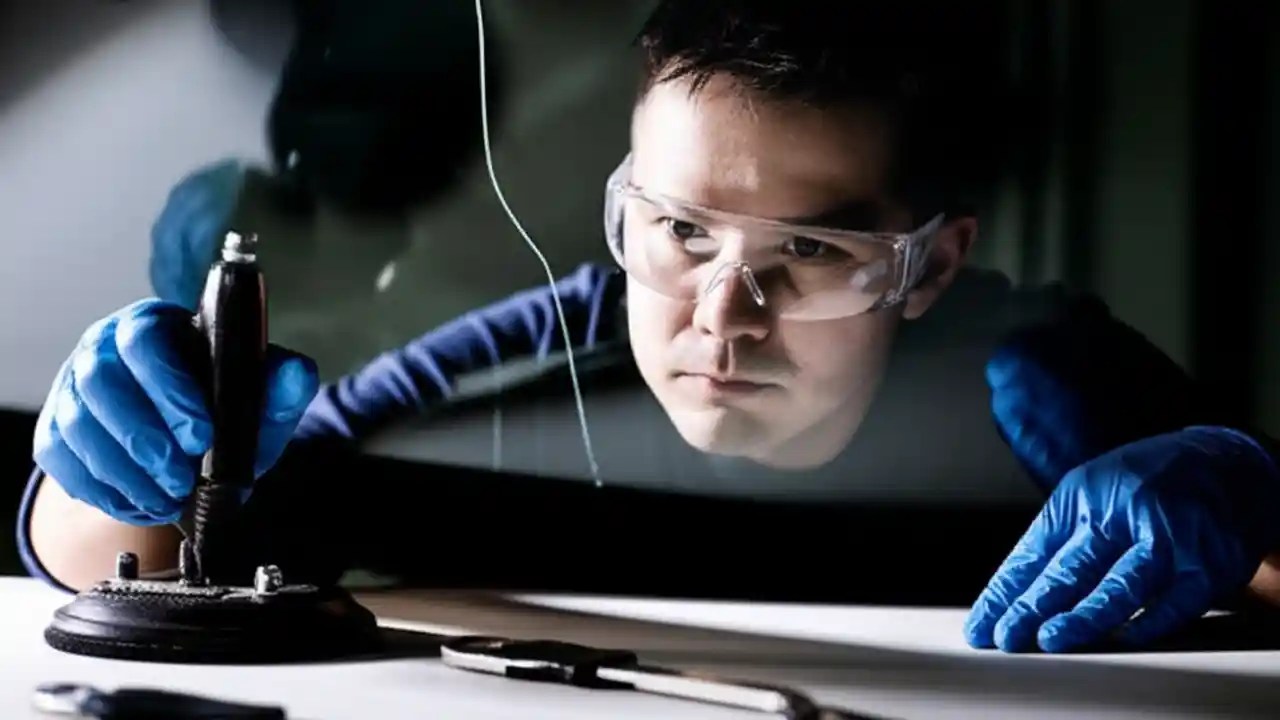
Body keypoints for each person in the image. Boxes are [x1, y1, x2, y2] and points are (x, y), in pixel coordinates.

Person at [19, 1, 1280, 655]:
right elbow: (138, 561)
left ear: (930, 263)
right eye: (678, 233)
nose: (722, 321)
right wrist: (106, 468)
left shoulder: (1045, 384)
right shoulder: (505, 374)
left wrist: (1254, 506)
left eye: (809, 254)